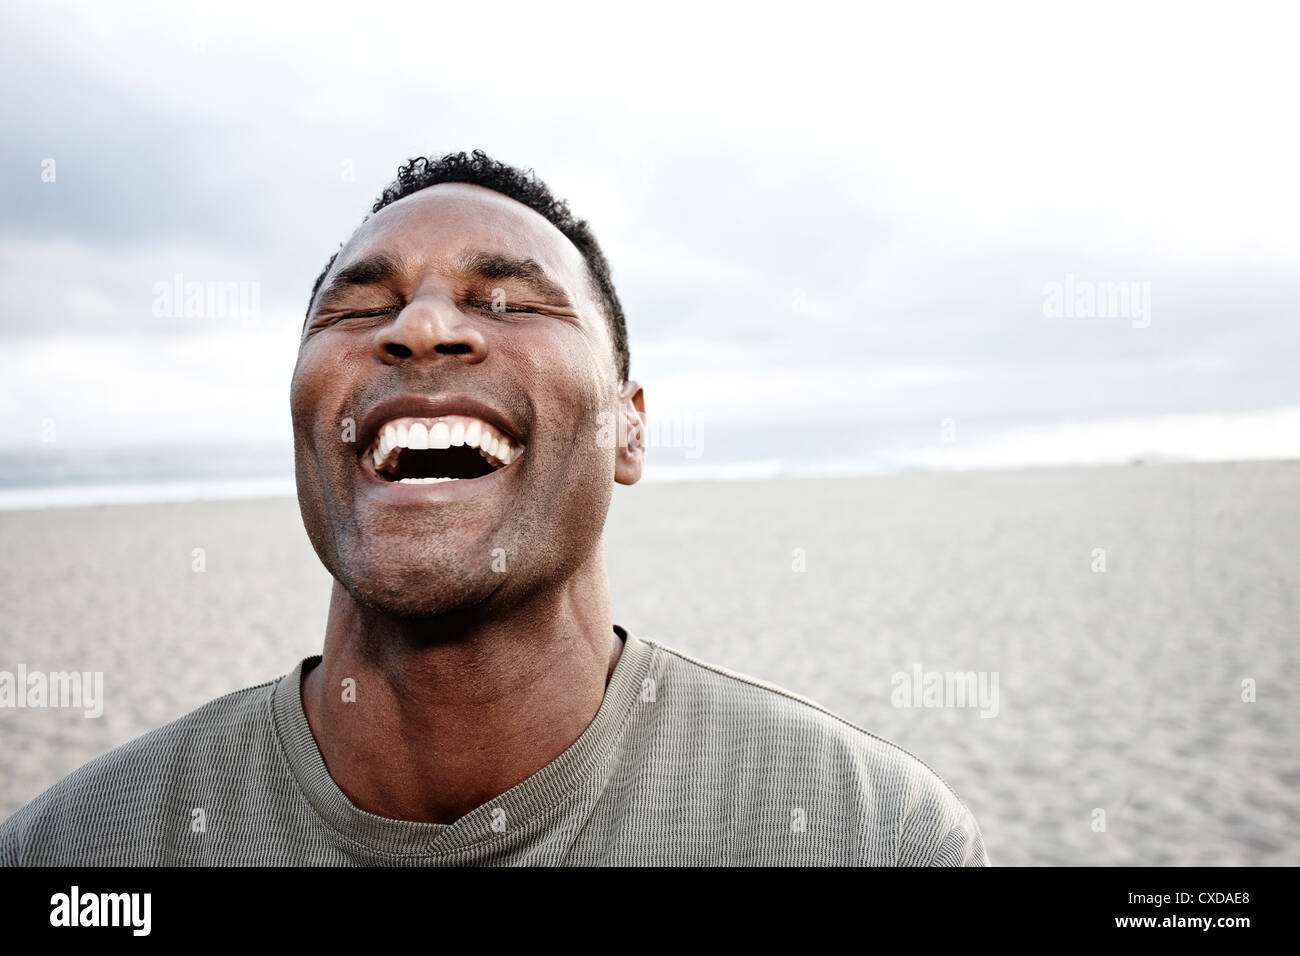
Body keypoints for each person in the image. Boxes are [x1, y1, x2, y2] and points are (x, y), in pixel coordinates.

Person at [0, 151, 987, 866]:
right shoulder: (72, 852)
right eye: (358, 307)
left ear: (630, 430)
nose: (421, 325)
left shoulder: (872, 833)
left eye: (508, 300)